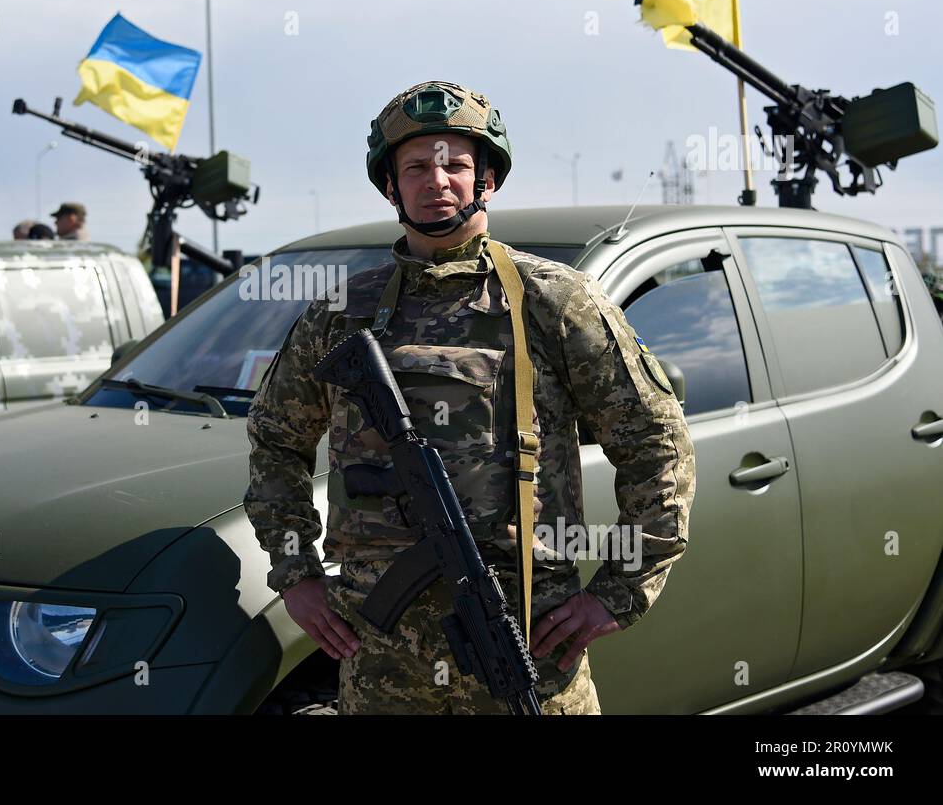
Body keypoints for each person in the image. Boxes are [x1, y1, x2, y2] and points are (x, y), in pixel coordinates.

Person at [244, 80, 696, 714]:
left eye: (456, 164)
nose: (438, 180)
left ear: (486, 179)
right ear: (391, 186)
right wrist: (296, 578)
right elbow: (275, 441)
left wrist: (619, 592)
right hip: (383, 659)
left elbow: (656, 439)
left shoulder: (553, 302)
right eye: (416, 167)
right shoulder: (343, 312)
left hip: (525, 643)